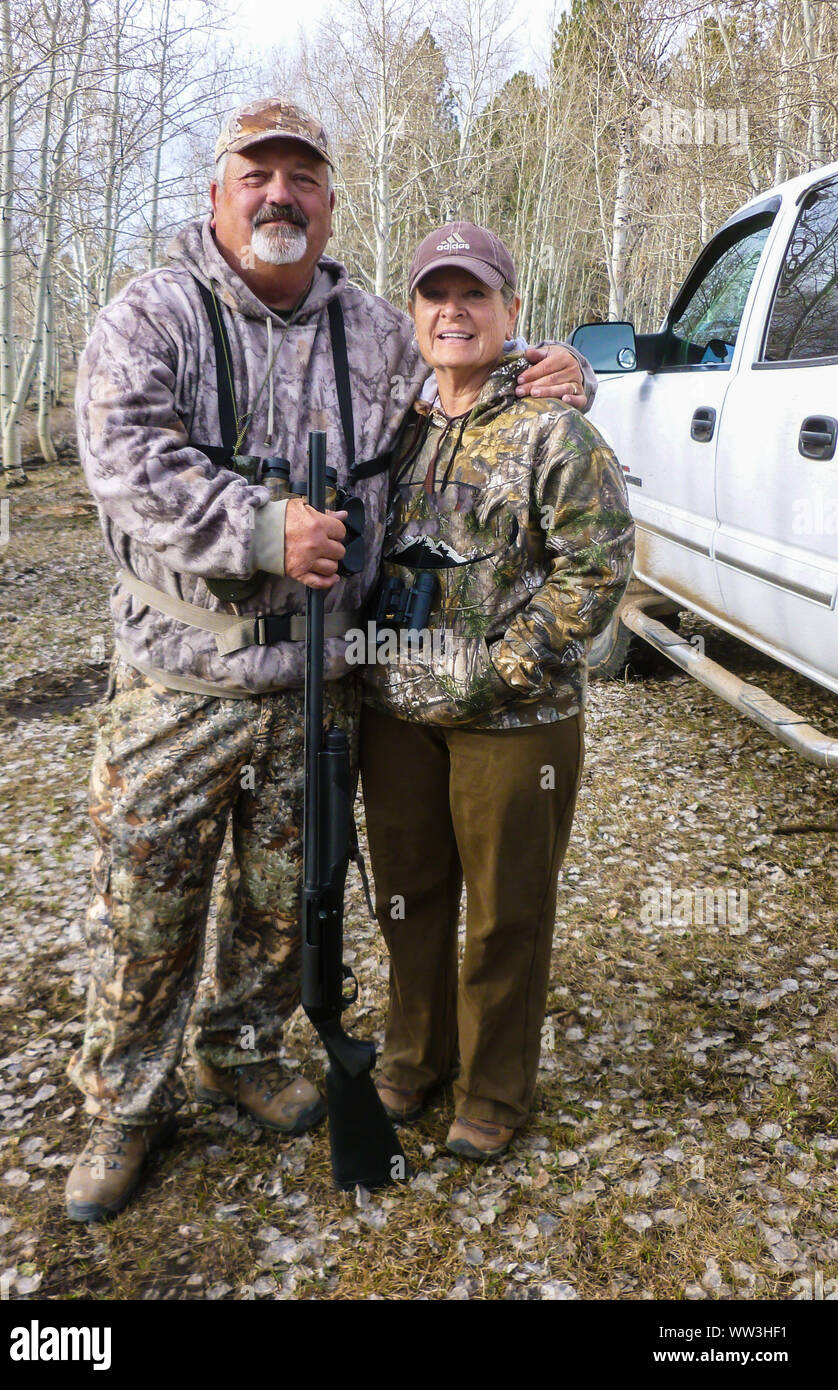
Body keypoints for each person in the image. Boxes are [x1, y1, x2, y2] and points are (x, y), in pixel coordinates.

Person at [65, 100, 597, 1221]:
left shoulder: (371, 327)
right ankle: (123, 1106)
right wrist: (263, 531)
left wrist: (554, 370)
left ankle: (245, 1053)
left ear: (328, 202)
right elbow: (124, 460)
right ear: (216, 193)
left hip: (325, 681)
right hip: (180, 683)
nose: (278, 197)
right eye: (256, 176)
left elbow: (463, 370)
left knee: (281, 904)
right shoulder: (146, 317)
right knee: (146, 909)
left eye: (302, 178)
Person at [360, 222, 635, 1160]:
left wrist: (498, 670)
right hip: (395, 714)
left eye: (473, 293)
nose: (453, 311)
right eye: (435, 295)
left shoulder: (556, 428)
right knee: (407, 895)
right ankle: (415, 1053)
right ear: (413, 315)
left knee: (506, 908)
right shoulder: (388, 424)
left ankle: (494, 1087)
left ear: (510, 311)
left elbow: (595, 570)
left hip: (514, 720)